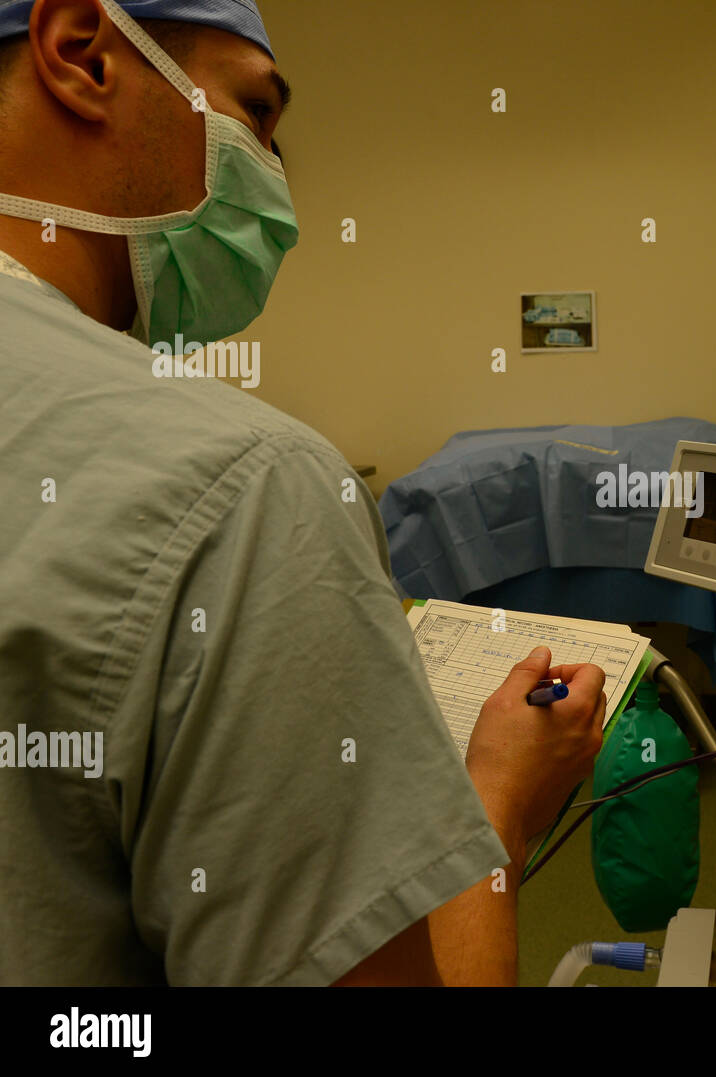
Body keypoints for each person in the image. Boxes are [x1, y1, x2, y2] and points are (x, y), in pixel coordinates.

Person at [0, 0, 607, 986]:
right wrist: (495, 802)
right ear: (83, 54)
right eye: (256, 113)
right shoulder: (243, 486)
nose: (275, 183)